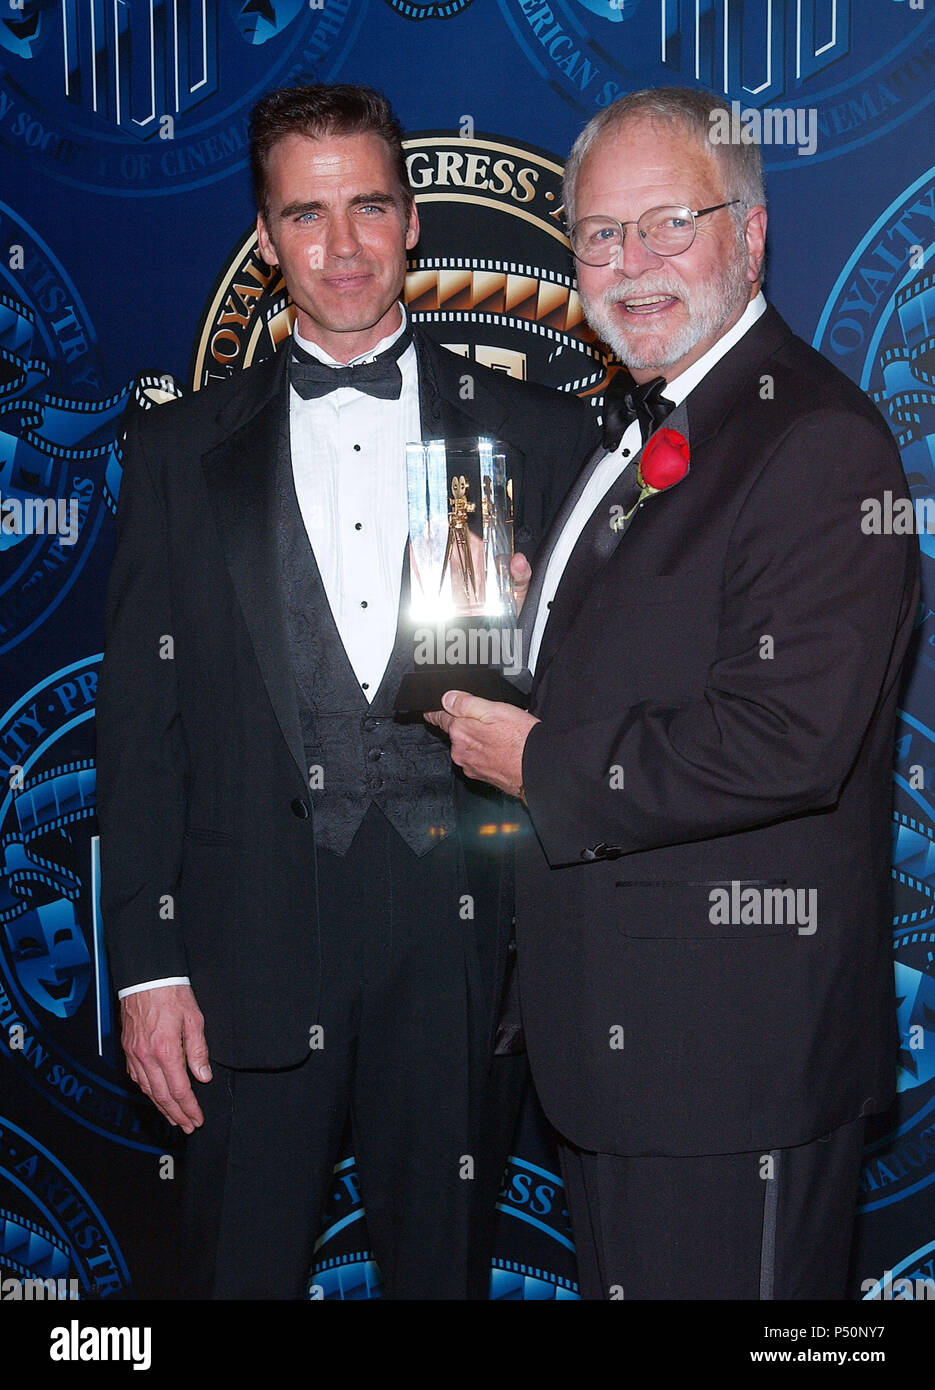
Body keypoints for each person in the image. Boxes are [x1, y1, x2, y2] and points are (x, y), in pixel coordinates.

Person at [95, 82, 595, 1300]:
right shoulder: (175, 454)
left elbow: (599, 704)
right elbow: (136, 733)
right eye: (307, 214)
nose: (344, 247)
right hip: (244, 953)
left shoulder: (540, 437)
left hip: (463, 953)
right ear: (264, 238)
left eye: (369, 206)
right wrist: (145, 966)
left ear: (412, 218)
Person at [425, 85, 919, 1300]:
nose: (628, 263)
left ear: (749, 236)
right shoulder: (645, 424)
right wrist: (528, 619)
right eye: (599, 234)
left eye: (666, 225)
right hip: (622, 1055)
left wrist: (533, 761)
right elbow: (657, 649)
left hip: (728, 1064)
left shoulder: (815, 442)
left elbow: (785, 740)